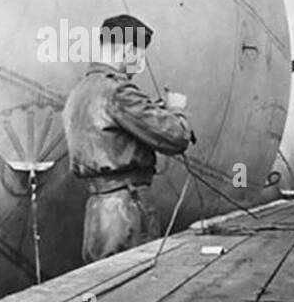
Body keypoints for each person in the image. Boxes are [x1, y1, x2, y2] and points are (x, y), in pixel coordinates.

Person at [62, 14, 195, 263]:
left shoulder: (80, 91)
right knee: (136, 284)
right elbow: (176, 137)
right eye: (139, 54)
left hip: (97, 211)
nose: (140, 62)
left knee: (105, 283)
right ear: (126, 49)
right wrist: (176, 109)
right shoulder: (118, 91)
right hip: (127, 208)